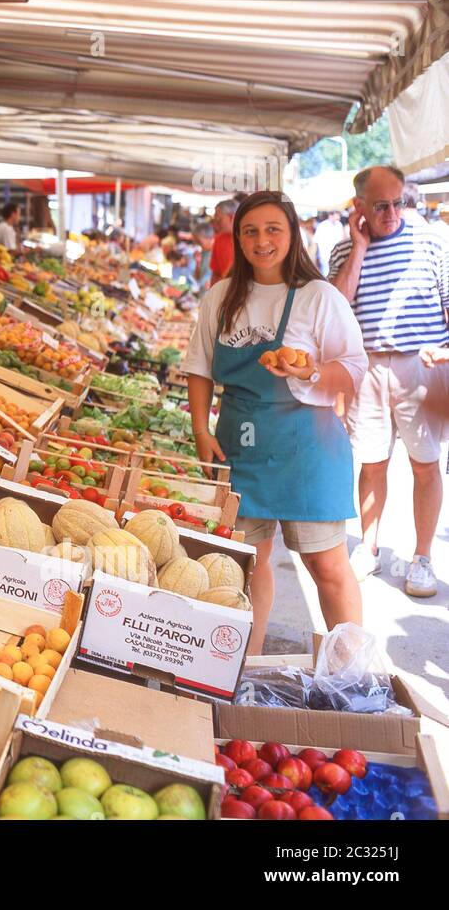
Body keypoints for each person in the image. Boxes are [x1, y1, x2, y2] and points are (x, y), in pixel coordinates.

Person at [185, 191, 367, 656]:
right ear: (237, 237)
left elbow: (353, 369)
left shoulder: (319, 297)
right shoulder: (220, 297)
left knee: (327, 566)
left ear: (293, 234)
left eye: (272, 230)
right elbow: (200, 368)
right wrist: (202, 432)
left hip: (308, 448)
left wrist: (307, 370)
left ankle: (350, 672)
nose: (261, 241)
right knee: (247, 562)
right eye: (250, 231)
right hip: (239, 446)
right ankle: (245, 663)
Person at [330, 165, 449, 598]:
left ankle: (422, 558)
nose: (392, 213)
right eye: (381, 205)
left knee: (425, 463)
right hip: (369, 367)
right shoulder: (344, 252)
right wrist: (359, 247)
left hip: (423, 365)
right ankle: (369, 547)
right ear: (358, 207)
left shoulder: (433, 243)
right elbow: (337, 310)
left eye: (399, 202)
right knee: (371, 462)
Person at [208, 198, 238, 282]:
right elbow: (215, 273)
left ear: (232, 217)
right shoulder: (218, 239)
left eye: (219, 219)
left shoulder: (247, 239)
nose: (216, 224)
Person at [313, 209, 345, 275]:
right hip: (325, 257)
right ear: (331, 215)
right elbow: (316, 242)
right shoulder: (322, 226)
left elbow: (342, 239)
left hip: (337, 256)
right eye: (337, 215)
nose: (338, 218)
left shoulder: (339, 225)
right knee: (326, 275)